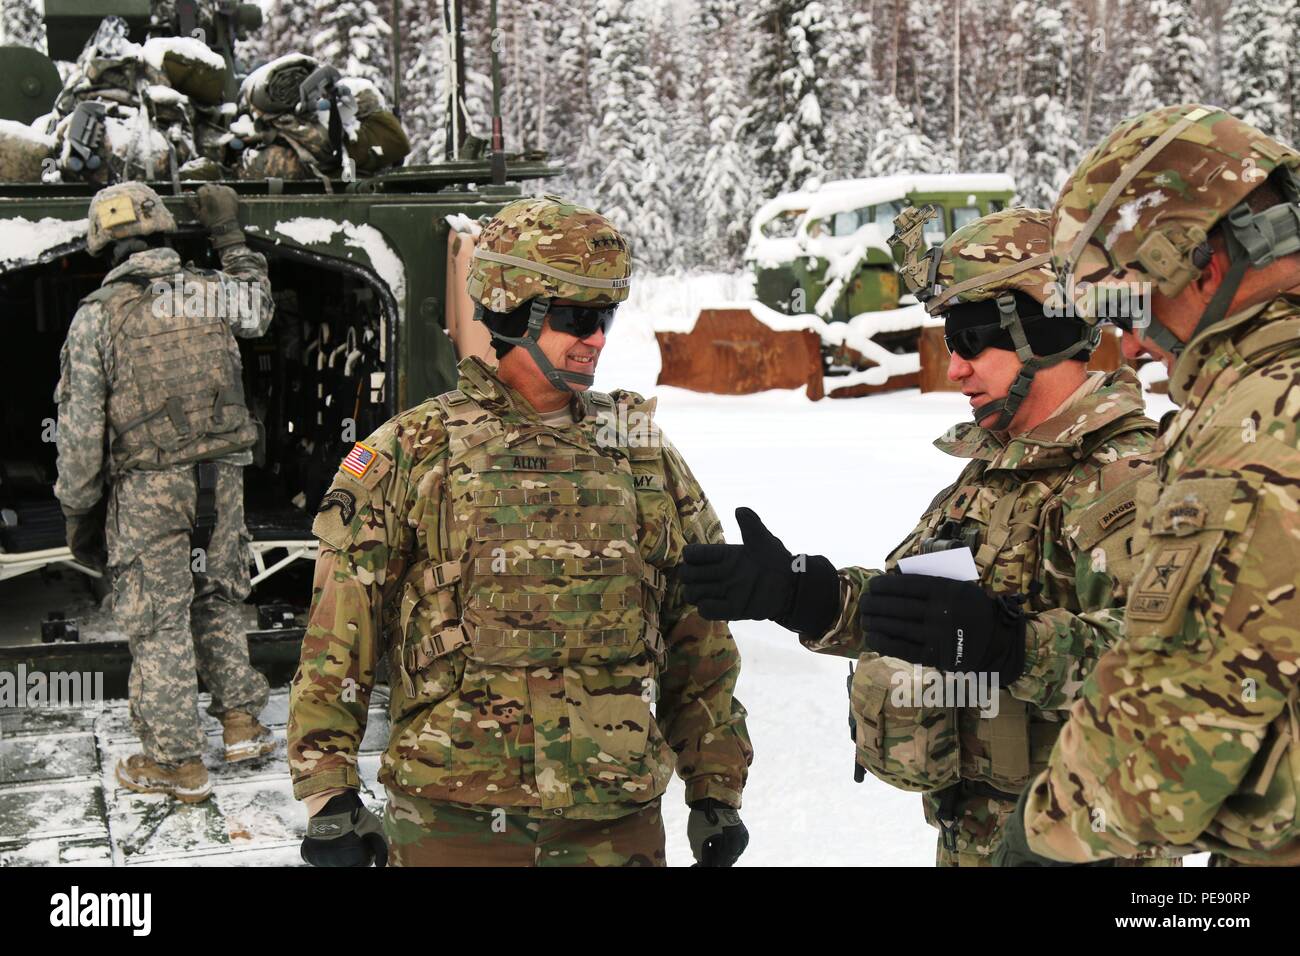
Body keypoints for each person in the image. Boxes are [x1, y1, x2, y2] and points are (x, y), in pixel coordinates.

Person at [681, 207, 1166, 866]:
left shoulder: (1125, 477)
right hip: (973, 843)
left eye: (970, 339)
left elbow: (1164, 669)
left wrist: (1013, 646)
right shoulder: (995, 468)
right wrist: (808, 595)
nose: (955, 367)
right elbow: (927, 616)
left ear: (1041, 330)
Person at [288, 195, 752, 867]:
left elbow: (698, 626)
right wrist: (329, 793)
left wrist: (715, 787)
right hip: (455, 821)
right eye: (575, 318)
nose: (596, 336)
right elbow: (340, 632)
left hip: (613, 822)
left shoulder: (638, 449)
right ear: (513, 310)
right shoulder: (415, 450)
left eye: (605, 317)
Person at [996, 104, 1300, 867]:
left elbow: (1162, 760)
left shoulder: (1258, 426)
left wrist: (1044, 831)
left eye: (1124, 302)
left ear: (1198, 259)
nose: (1127, 343)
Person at [56, 181, 277, 803]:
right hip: (222, 480)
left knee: (159, 622)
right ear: (164, 231)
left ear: (103, 245)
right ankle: (241, 724)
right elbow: (259, 309)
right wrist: (230, 237)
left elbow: (78, 433)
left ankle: (176, 763)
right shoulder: (209, 288)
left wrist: (78, 509)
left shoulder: (97, 316)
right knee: (220, 595)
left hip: (149, 488)